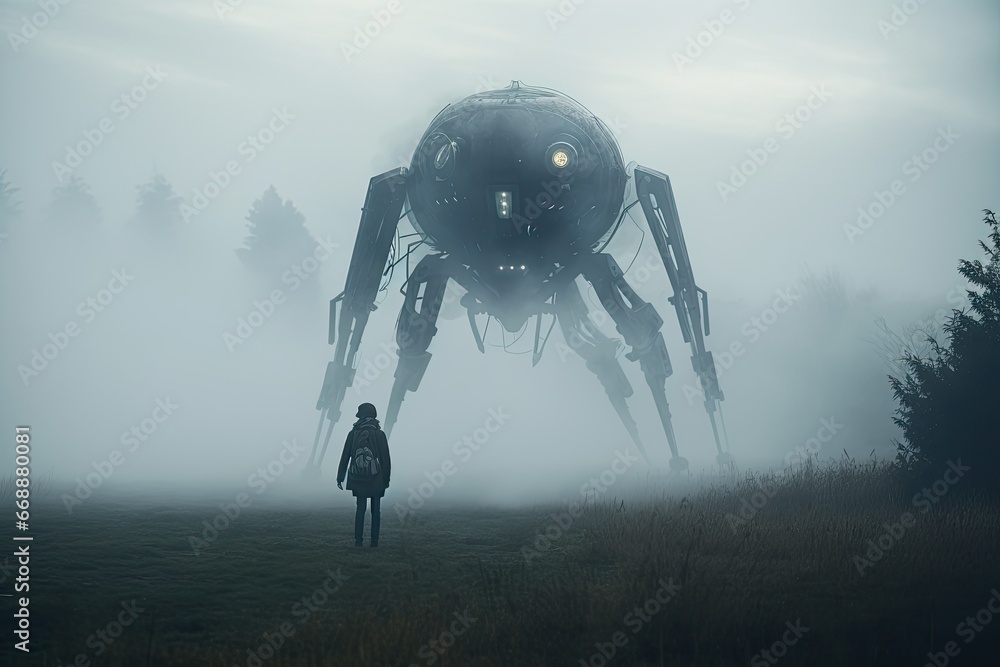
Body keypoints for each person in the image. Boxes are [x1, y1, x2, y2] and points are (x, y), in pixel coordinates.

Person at [337, 402, 391, 547]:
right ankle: (374, 542)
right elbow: (385, 459)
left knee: (360, 509)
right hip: (377, 477)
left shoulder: (353, 434)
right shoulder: (379, 434)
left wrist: (340, 477)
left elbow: (345, 456)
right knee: (376, 510)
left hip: (357, 477)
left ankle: (358, 541)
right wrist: (386, 479)